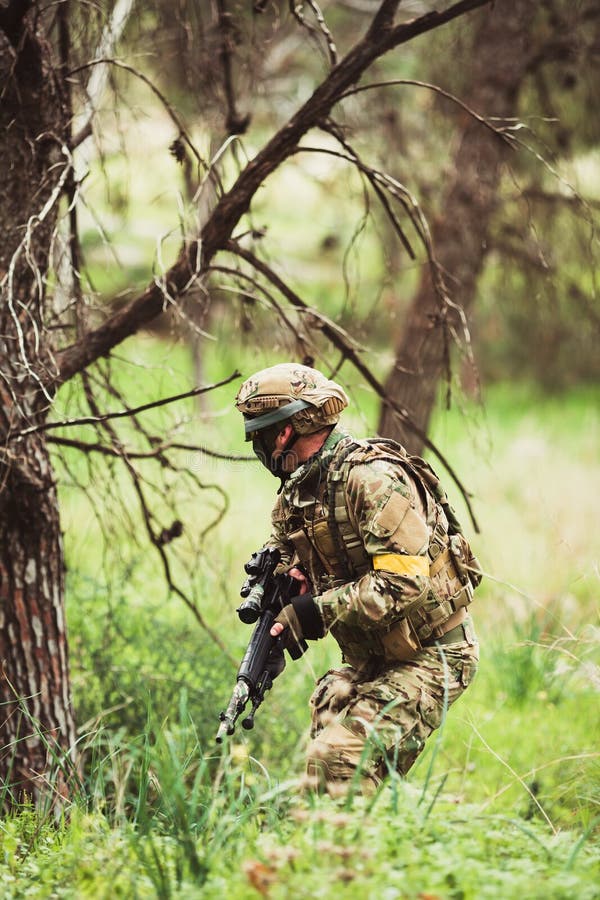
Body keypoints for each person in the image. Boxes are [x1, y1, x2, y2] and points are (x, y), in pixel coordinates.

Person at [235, 362, 481, 796]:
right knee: (324, 742)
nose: (259, 446)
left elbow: (403, 584)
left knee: (338, 760)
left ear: (285, 432)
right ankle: (359, 839)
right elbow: (291, 566)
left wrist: (314, 613)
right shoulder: (297, 495)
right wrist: (278, 625)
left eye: (260, 434)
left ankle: (372, 841)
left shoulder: (372, 479)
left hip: (434, 653)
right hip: (375, 655)